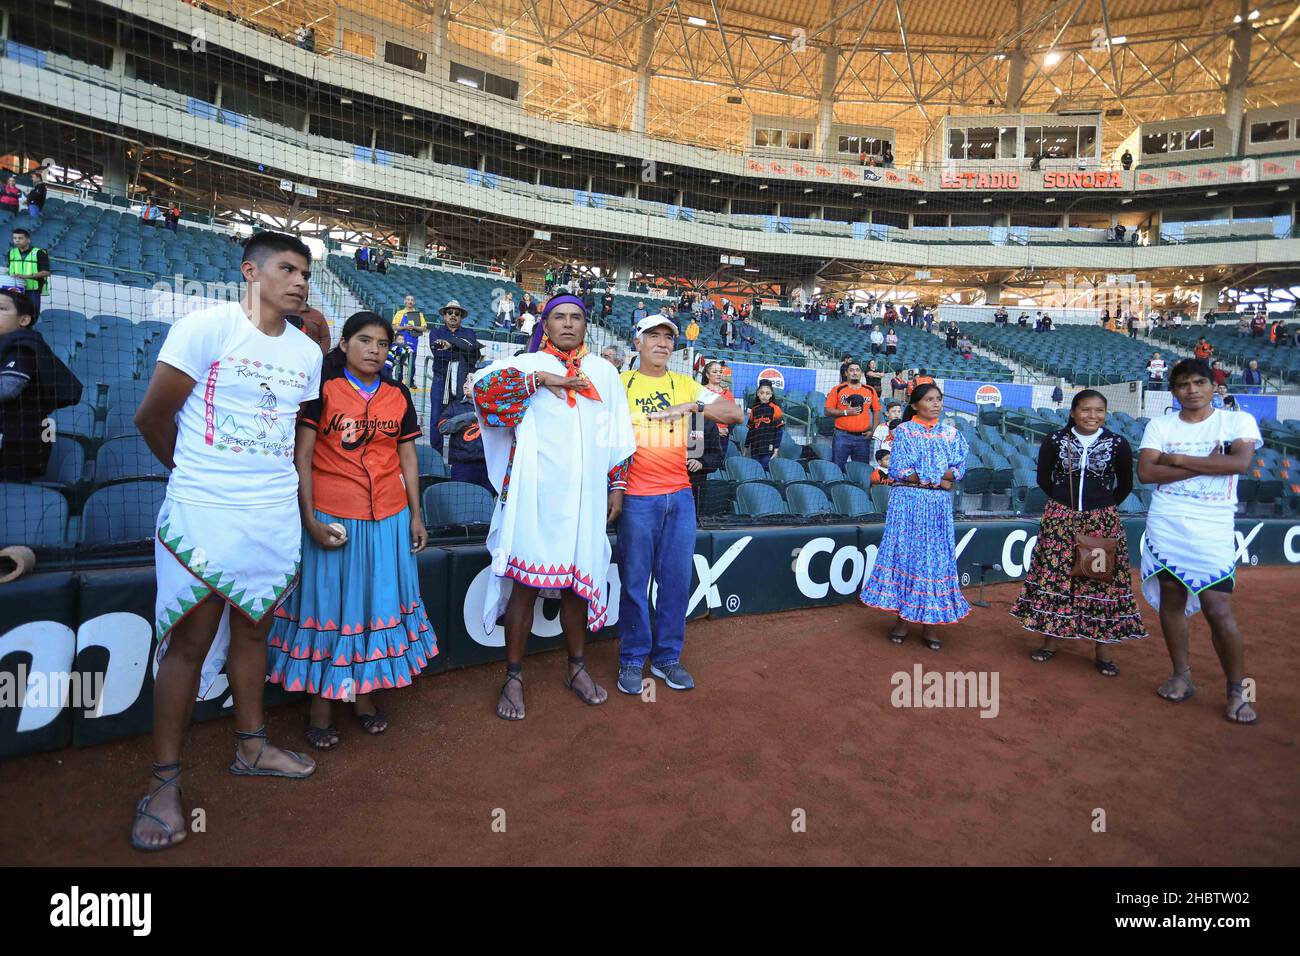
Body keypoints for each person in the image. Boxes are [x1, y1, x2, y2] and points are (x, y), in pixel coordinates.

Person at [129, 232, 325, 851]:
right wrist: (193, 476)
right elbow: (151, 418)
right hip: (203, 510)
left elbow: (292, 437)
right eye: (287, 269)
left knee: (254, 629)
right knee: (189, 639)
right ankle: (163, 781)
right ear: (251, 271)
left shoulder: (307, 352)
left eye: (305, 273)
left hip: (270, 512)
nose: (299, 281)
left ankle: (252, 746)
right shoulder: (204, 327)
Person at [267, 311, 436, 749]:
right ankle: (322, 705)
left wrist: (416, 515)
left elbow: (407, 458)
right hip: (333, 515)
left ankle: (363, 695)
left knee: (373, 606)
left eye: (382, 343)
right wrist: (309, 520)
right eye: (364, 340)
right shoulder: (321, 390)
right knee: (334, 608)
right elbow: (301, 458)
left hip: (389, 516)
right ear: (343, 344)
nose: (374, 350)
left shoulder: (397, 393)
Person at [473, 294, 636, 720]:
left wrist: (616, 487)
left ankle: (576, 669)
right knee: (525, 585)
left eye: (576, 318)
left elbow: (618, 432)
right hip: (534, 496)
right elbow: (483, 396)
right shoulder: (526, 366)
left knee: (576, 585)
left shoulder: (604, 372)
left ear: (586, 326)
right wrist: (543, 380)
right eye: (558, 317)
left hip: (585, 498)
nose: (567, 324)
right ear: (544, 325)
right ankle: (513, 676)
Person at [618, 315, 741, 694]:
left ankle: (668, 656)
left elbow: (734, 414)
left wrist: (690, 406)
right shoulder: (621, 384)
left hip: (680, 496)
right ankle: (633, 658)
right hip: (637, 496)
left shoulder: (684, 383)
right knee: (635, 582)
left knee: (674, 581)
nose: (662, 343)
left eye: (668, 337)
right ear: (637, 343)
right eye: (653, 336)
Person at [1137, 359, 1262, 725]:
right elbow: (1146, 472)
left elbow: (1238, 464)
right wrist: (1205, 463)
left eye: (1199, 382)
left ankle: (1238, 691)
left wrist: (1174, 460)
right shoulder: (1160, 424)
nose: (1191, 390)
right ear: (1173, 390)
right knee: (1172, 600)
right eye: (1183, 384)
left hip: (1213, 526)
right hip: (1167, 523)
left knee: (1218, 608)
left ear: (1213, 386)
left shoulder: (1236, 421)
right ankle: (1181, 675)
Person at [1011, 390, 1146, 674]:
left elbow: (1124, 485)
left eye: (1099, 410)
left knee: (1098, 578)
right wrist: (1064, 504)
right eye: (1085, 410)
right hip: (1060, 517)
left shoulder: (1117, 443)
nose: (1092, 416)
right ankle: (1050, 641)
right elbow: (1043, 478)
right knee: (1056, 578)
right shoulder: (1055, 440)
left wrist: (1101, 507)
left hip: (1101, 521)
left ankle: (1103, 650)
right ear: (1072, 412)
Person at [859, 383, 970, 649]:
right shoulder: (904, 431)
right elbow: (900, 469)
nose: (936, 404)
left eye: (939, 399)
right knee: (906, 557)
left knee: (934, 561)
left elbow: (959, 468)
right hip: (907, 504)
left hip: (937, 508)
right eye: (930, 399)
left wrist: (935, 478)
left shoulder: (952, 433)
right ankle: (902, 620)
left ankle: (931, 625)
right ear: (915, 404)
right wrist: (939, 479)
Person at [0, 287, 83, 481]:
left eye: (2, 308)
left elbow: (8, 388)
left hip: (16, 449)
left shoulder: (23, 344)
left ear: (24, 320)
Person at [428, 299, 482, 441]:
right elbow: (439, 353)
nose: (453, 315)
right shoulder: (435, 332)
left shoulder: (469, 333)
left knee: (461, 416)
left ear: (461, 317)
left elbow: (472, 349)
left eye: (456, 313)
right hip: (441, 379)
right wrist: (460, 349)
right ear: (444, 316)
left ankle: (456, 453)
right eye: (450, 313)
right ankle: (437, 454)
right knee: (436, 417)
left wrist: (450, 345)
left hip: (462, 380)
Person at [438, 378, 491, 493]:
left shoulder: (492, 407)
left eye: (471, 380)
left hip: (487, 466)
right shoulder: (455, 406)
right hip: (462, 465)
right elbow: (443, 428)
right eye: (466, 380)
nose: (466, 384)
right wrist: (471, 416)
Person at [825, 363, 881, 471]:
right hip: (842, 436)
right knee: (837, 468)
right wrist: (846, 412)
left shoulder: (869, 390)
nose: (855, 373)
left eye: (857, 370)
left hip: (863, 438)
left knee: (861, 471)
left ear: (861, 373)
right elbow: (827, 411)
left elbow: (877, 411)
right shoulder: (838, 389)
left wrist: (873, 432)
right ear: (846, 373)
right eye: (851, 370)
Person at [7, 228, 50, 319]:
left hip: (32, 290)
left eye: (20, 238)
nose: (17, 240)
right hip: (15, 289)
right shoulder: (11, 252)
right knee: (15, 315)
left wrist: (25, 276)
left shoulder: (39, 253)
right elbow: (10, 270)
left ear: (28, 240)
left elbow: (46, 272)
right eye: (15, 238)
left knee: (32, 316)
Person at [744, 382, 783, 470]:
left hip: (768, 449)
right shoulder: (754, 409)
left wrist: (776, 449)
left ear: (771, 395)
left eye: (767, 393)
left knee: (765, 472)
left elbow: (779, 431)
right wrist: (745, 448)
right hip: (755, 449)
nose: (764, 395)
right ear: (757, 394)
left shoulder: (776, 409)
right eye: (762, 393)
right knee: (754, 471)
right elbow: (750, 431)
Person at [390, 294, 427, 387]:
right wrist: (404, 327)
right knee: (399, 362)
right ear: (404, 301)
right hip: (400, 342)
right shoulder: (399, 313)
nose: (410, 301)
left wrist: (414, 327)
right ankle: (398, 381)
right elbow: (394, 326)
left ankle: (410, 381)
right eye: (408, 299)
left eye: (412, 300)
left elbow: (424, 328)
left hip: (413, 342)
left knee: (412, 363)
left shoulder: (419, 314)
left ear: (414, 302)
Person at [700, 360, 734, 437]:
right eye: (715, 372)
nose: (718, 374)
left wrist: (728, 430)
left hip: (723, 437)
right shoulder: (701, 392)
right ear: (707, 375)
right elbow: (697, 418)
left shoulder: (728, 394)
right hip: (706, 437)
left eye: (720, 372)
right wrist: (716, 430)